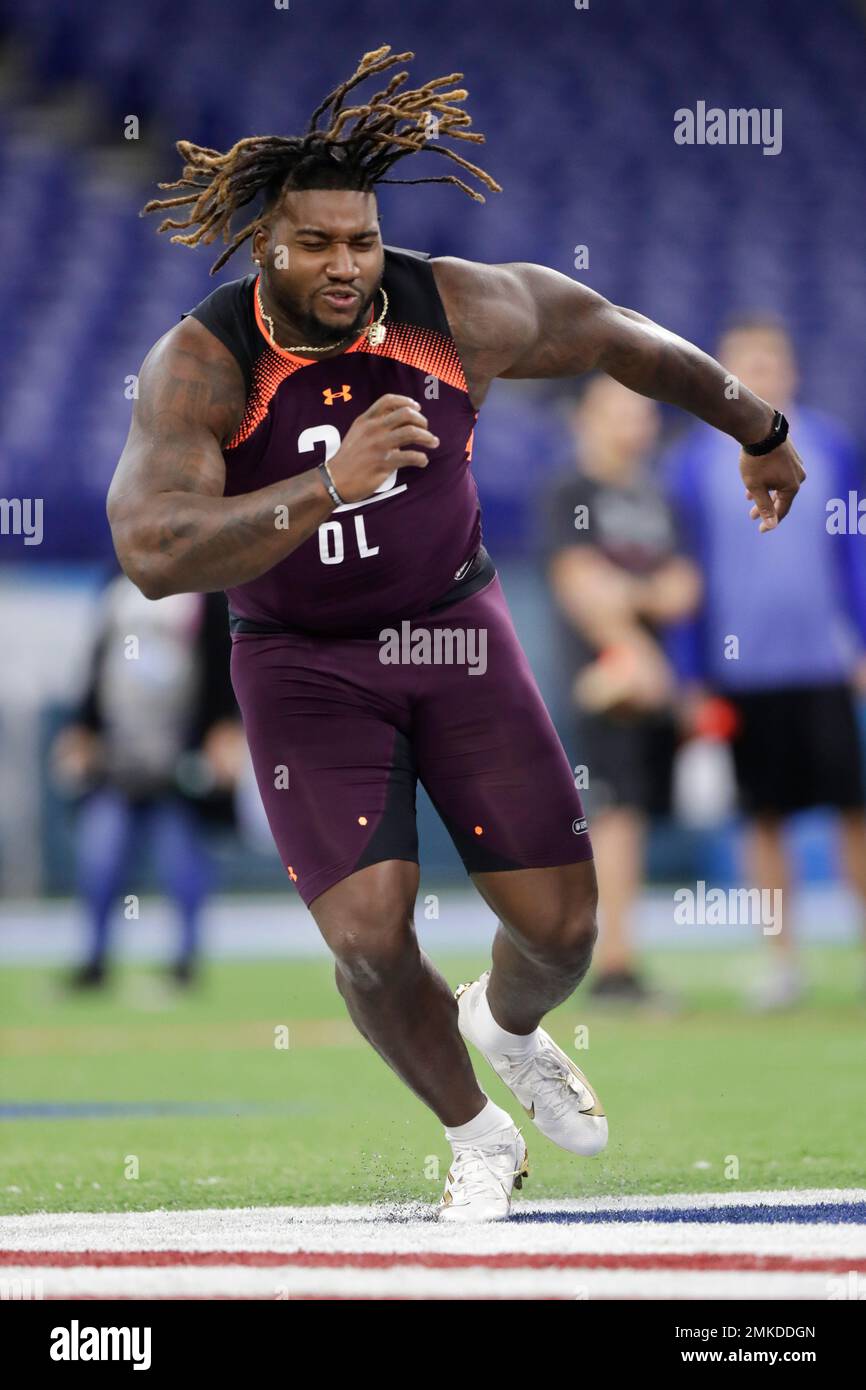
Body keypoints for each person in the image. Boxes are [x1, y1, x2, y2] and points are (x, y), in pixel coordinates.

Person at [106, 46, 805, 1220]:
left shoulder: (450, 309)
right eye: (317, 244)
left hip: (450, 632)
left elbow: (612, 330)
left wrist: (756, 421)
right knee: (371, 936)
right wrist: (328, 488)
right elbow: (150, 552)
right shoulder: (201, 361)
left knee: (564, 928)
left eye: (362, 241)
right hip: (300, 662)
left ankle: (505, 1019)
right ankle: (476, 1136)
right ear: (265, 245)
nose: (346, 264)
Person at [665, 314, 866, 1009]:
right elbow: (685, 575)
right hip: (742, 676)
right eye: (745, 363)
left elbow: (854, 553)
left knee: (855, 811)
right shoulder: (691, 460)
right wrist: (692, 677)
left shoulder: (833, 446)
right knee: (765, 820)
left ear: (792, 371)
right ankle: (783, 962)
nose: (760, 375)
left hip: (826, 667)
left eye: (771, 362)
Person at [541, 376, 701, 1006]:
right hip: (598, 686)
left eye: (641, 413)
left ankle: (617, 960)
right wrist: (637, 647)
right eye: (618, 412)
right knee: (611, 820)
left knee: (633, 817)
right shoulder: (570, 492)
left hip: (650, 688)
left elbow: (684, 590)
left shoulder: (658, 495)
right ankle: (611, 967)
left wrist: (632, 607)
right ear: (585, 419)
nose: (634, 425)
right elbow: (581, 587)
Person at [52, 577, 244, 988]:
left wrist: (224, 730)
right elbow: (96, 670)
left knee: (183, 868)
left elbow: (223, 666)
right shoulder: (116, 595)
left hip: (179, 766)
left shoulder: (206, 601)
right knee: (101, 865)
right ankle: (94, 961)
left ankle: (185, 963)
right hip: (117, 764)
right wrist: (82, 731)